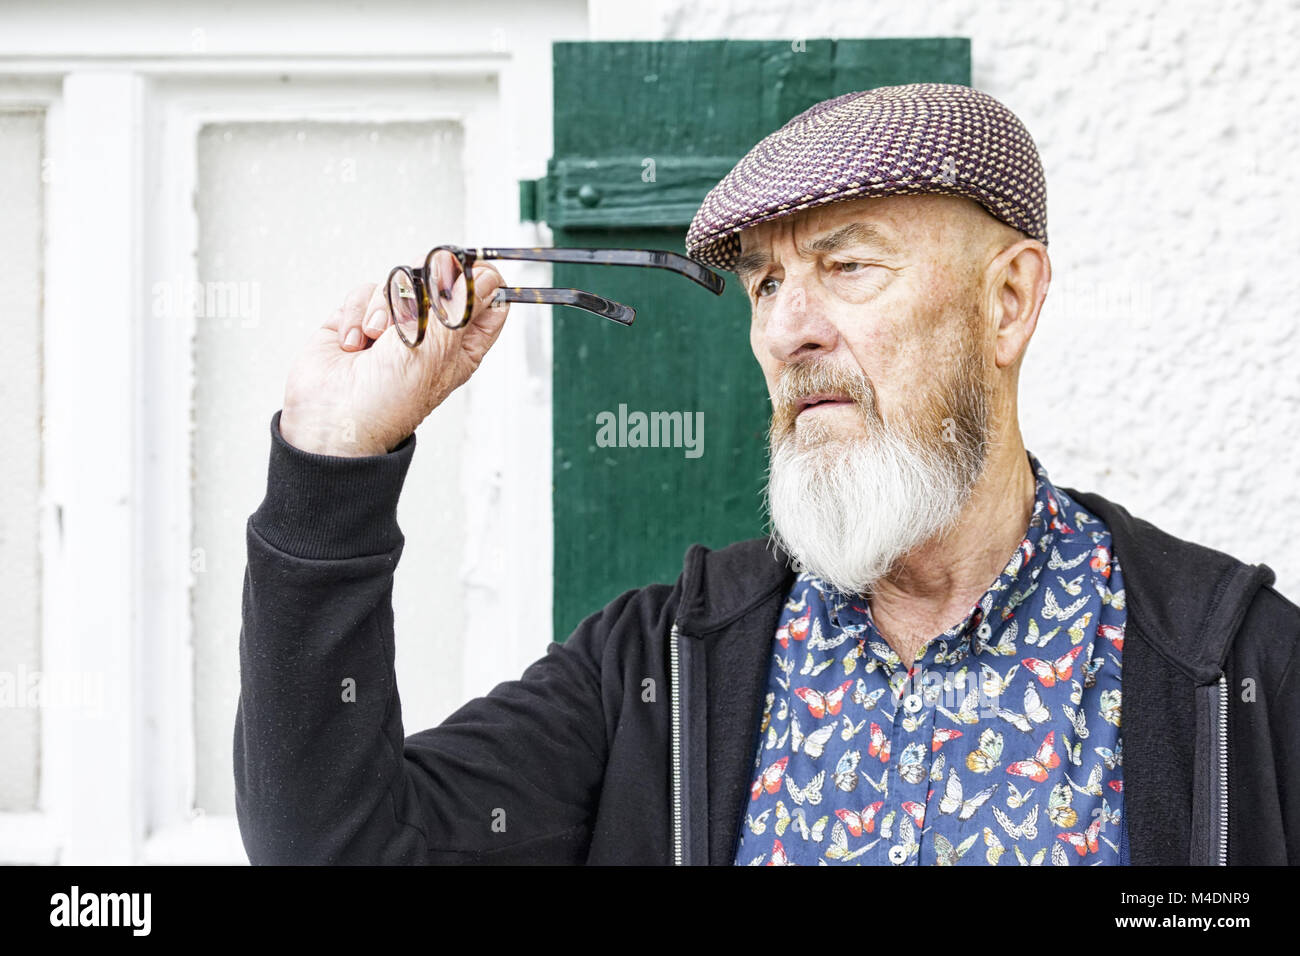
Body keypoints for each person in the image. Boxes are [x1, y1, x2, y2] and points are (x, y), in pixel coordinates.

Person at [234, 82, 1300, 865]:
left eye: (846, 265)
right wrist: (331, 458)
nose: (789, 328)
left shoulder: (1230, 663)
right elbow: (337, 850)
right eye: (765, 283)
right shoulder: (653, 673)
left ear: (1007, 300)